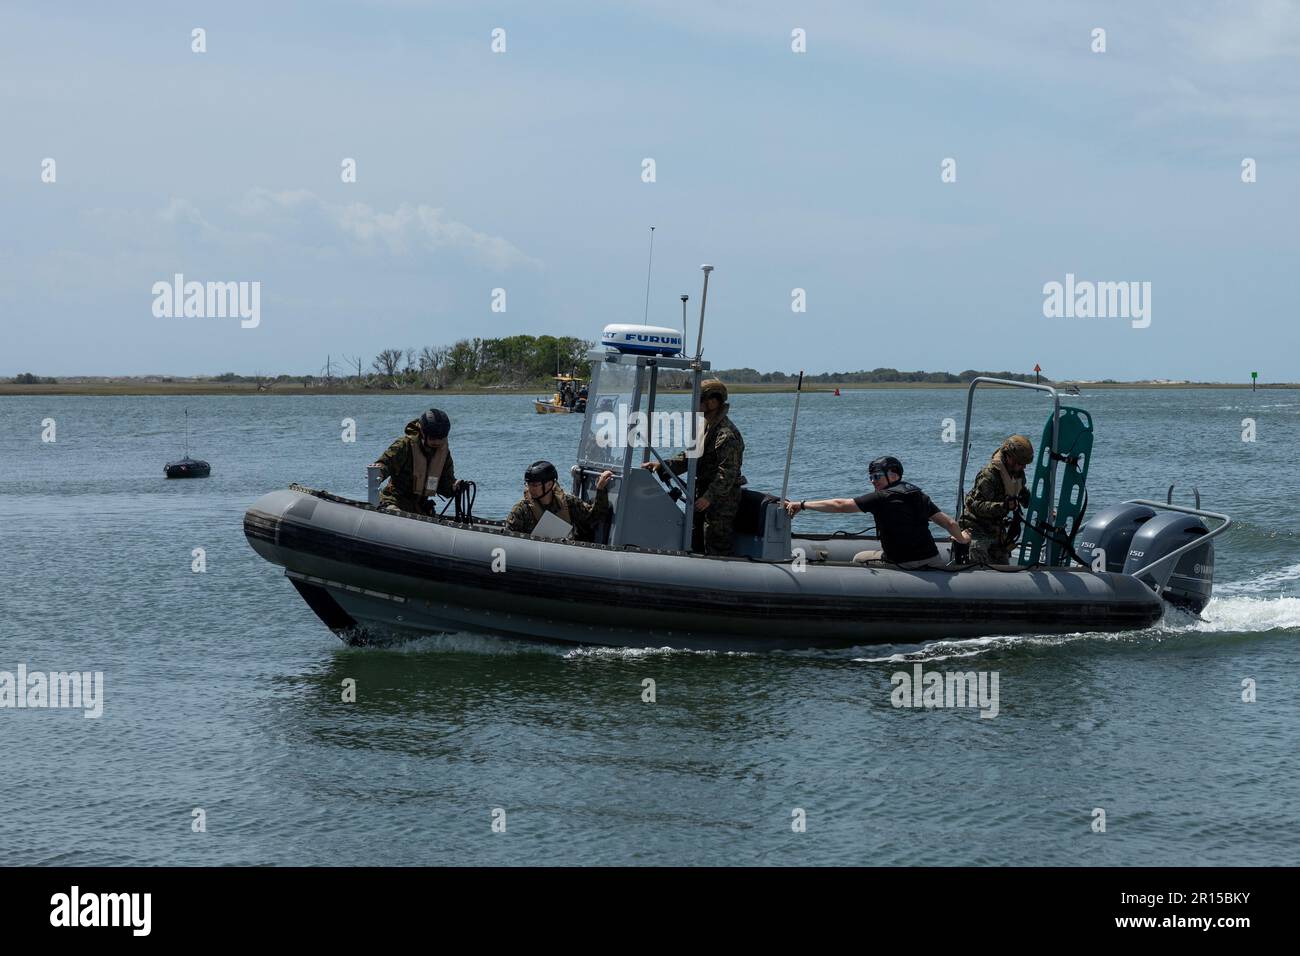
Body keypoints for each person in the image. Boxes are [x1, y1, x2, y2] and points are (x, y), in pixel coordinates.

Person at [785, 456, 970, 569]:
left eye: (877, 476)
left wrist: (802, 505)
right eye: (871, 477)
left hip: (902, 562)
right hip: (932, 558)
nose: (873, 481)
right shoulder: (919, 496)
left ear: (893, 474)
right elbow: (950, 524)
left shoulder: (881, 498)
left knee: (859, 558)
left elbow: (840, 505)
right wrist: (962, 540)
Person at [640, 378, 744, 555]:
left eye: (699, 399)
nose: (694, 404)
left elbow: (727, 473)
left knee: (715, 541)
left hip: (721, 500)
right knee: (694, 537)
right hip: (701, 494)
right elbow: (690, 456)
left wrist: (709, 497)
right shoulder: (705, 428)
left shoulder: (726, 435)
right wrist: (663, 466)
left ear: (712, 401)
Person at [371, 408, 466, 516]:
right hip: (394, 501)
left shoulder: (443, 454)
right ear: (422, 433)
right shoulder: (404, 446)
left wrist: (453, 487)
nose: (437, 442)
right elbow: (385, 463)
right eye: (433, 438)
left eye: (441, 438)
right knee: (396, 515)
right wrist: (378, 471)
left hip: (420, 507)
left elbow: (445, 486)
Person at [960, 434, 1034, 565]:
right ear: (1008, 457)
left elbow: (1024, 496)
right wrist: (1004, 506)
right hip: (977, 529)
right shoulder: (988, 476)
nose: (1023, 467)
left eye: (1024, 464)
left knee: (1003, 570)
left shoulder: (1016, 475)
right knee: (981, 571)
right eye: (1020, 463)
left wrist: (1043, 507)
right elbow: (976, 506)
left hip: (997, 531)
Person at [505, 460, 614, 541]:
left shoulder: (568, 502)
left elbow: (593, 516)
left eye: (534, 485)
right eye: (528, 484)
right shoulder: (521, 510)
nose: (530, 488)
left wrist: (600, 489)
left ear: (549, 484)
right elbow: (508, 538)